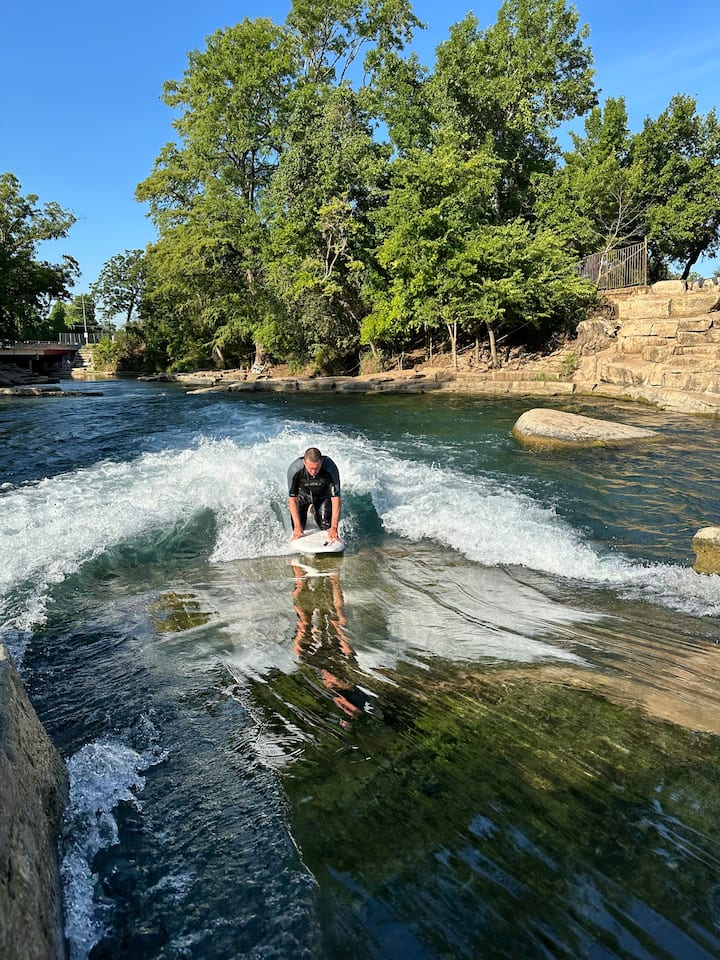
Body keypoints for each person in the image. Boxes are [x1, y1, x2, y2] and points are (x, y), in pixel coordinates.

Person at [287, 447, 342, 542]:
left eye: (316, 468)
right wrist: (297, 526)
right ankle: (309, 509)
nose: (313, 472)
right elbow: (293, 500)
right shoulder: (295, 469)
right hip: (302, 496)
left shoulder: (330, 467)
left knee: (325, 525)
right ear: (304, 462)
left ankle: (315, 510)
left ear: (321, 462)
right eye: (310, 468)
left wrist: (334, 527)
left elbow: (336, 498)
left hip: (322, 495)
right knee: (299, 528)